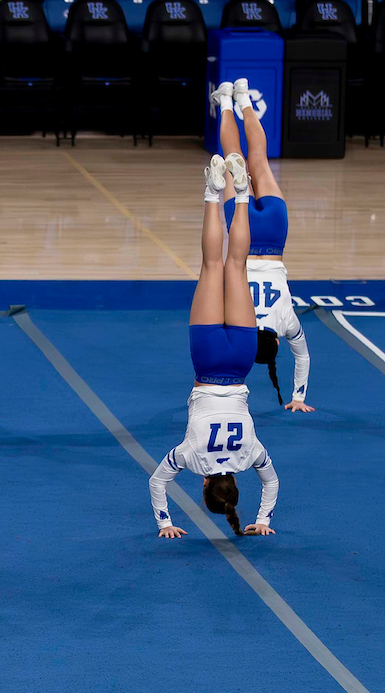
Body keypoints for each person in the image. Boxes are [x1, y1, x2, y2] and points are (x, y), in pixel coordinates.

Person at [149, 151, 279, 540]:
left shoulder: (250, 453)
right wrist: (166, 523)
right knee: (212, 266)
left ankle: (241, 192)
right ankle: (212, 190)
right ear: (204, 485)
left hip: (239, 362)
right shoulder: (191, 458)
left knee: (236, 265)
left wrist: (264, 519)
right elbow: (157, 483)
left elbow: (271, 483)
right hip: (207, 365)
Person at [214, 79, 313, 412]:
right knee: (233, 159)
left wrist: (299, 396)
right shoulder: (236, 319)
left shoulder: (285, 322)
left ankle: (244, 97)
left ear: (274, 341)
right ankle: (226, 102)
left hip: (274, 232)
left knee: (259, 159)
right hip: (244, 237)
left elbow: (303, 354)